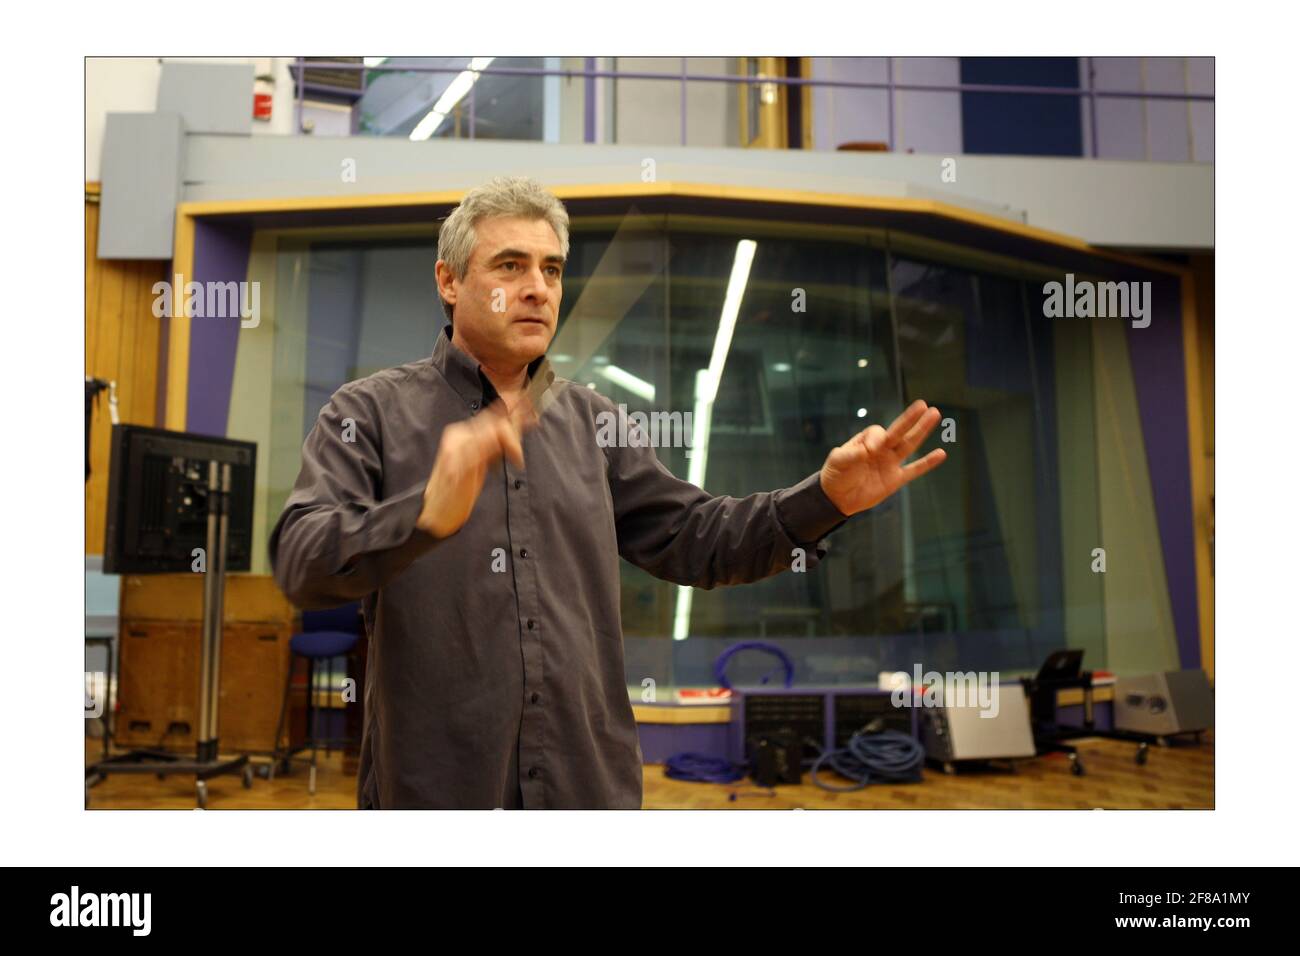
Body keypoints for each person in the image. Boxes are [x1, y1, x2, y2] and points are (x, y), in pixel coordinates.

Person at [269, 175, 946, 809]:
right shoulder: (368, 413)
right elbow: (300, 562)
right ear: (449, 281)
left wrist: (824, 499)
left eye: (552, 269)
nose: (537, 287)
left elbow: (699, 541)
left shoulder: (597, 423)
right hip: (436, 794)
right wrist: (418, 515)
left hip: (586, 791)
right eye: (510, 266)